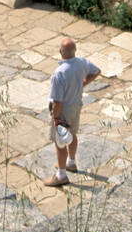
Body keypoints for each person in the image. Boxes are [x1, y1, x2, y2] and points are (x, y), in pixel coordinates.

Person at [44, 38, 102, 188]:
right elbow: (96, 71)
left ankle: (61, 175)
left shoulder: (59, 74)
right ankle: (71, 162)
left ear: (60, 52)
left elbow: (57, 101)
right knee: (73, 133)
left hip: (64, 108)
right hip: (76, 105)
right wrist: (83, 84)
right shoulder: (82, 62)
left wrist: (55, 117)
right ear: (75, 51)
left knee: (60, 141)